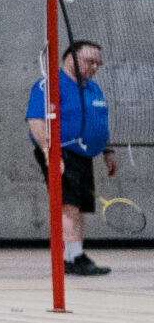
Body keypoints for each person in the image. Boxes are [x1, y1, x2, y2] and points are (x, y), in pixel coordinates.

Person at [28, 38, 117, 277]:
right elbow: (36, 120)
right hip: (62, 151)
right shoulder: (49, 85)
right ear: (70, 59)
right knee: (68, 206)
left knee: (77, 208)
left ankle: (71, 257)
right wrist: (50, 152)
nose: (95, 67)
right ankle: (76, 256)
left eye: (98, 63)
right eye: (90, 61)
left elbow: (100, 121)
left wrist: (108, 152)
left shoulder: (92, 88)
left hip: (84, 155)